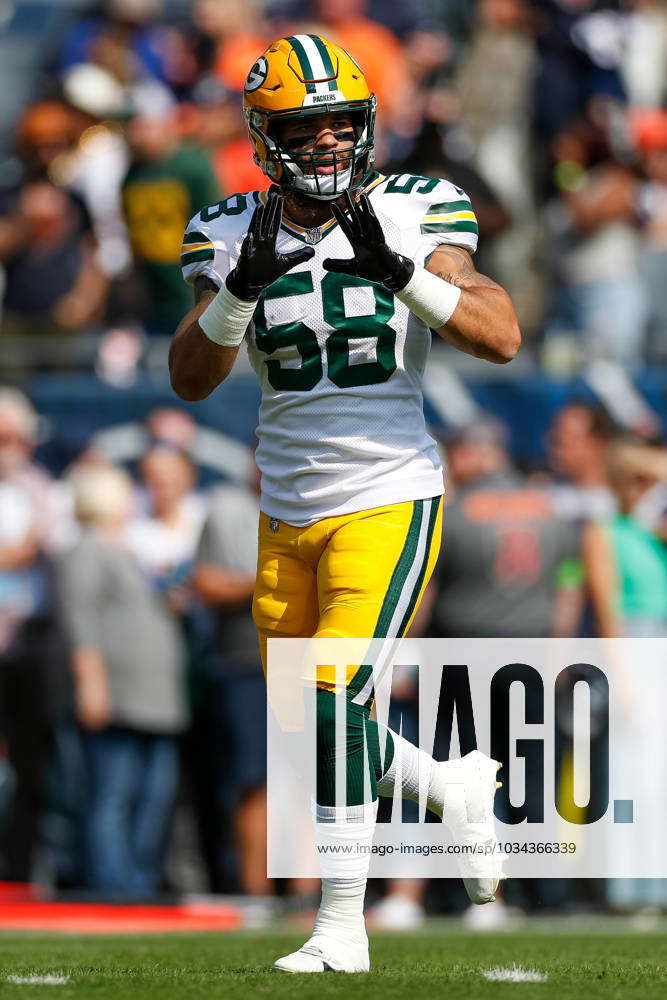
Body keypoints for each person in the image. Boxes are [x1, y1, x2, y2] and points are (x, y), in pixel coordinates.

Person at [169, 35, 520, 973]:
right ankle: (447, 788)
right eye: (304, 126)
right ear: (263, 134)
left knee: (332, 700)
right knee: (312, 720)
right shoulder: (228, 226)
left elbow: (500, 334)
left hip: (389, 490)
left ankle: (340, 928)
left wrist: (400, 273)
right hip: (285, 504)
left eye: (340, 124)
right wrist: (237, 292)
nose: (326, 143)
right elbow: (189, 378)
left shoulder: (417, 207)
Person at [58, 463, 188, 898]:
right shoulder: (86, 550)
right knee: (112, 794)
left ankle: (139, 881)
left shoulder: (126, 550)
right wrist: (91, 685)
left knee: (153, 795)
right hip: (119, 697)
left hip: (156, 701)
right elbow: (81, 624)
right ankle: (113, 884)